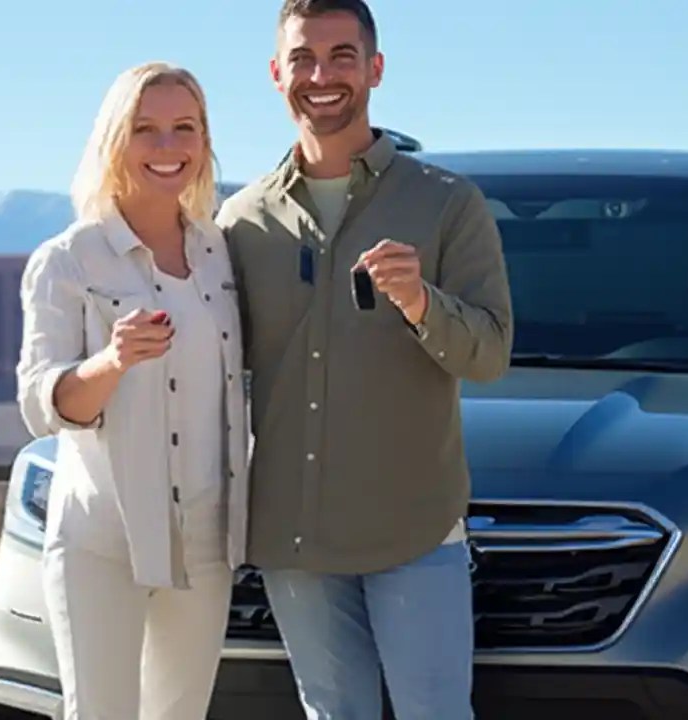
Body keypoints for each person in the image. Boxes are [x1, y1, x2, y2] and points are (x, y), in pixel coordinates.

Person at [215, 1, 513, 718]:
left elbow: (492, 354)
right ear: (276, 73)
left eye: (342, 56)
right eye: (304, 58)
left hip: (411, 528)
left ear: (375, 69)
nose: (322, 75)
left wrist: (420, 303)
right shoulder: (241, 222)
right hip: (292, 536)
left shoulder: (447, 205)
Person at [15, 61, 249, 720]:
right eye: (147, 130)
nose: (168, 147)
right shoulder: (67, 260)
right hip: (103, 539)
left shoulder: (222, 252)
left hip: (206, 541)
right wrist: (111, 362)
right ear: (115, 140)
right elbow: (42, 406)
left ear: (205, 141)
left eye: (186, 128)